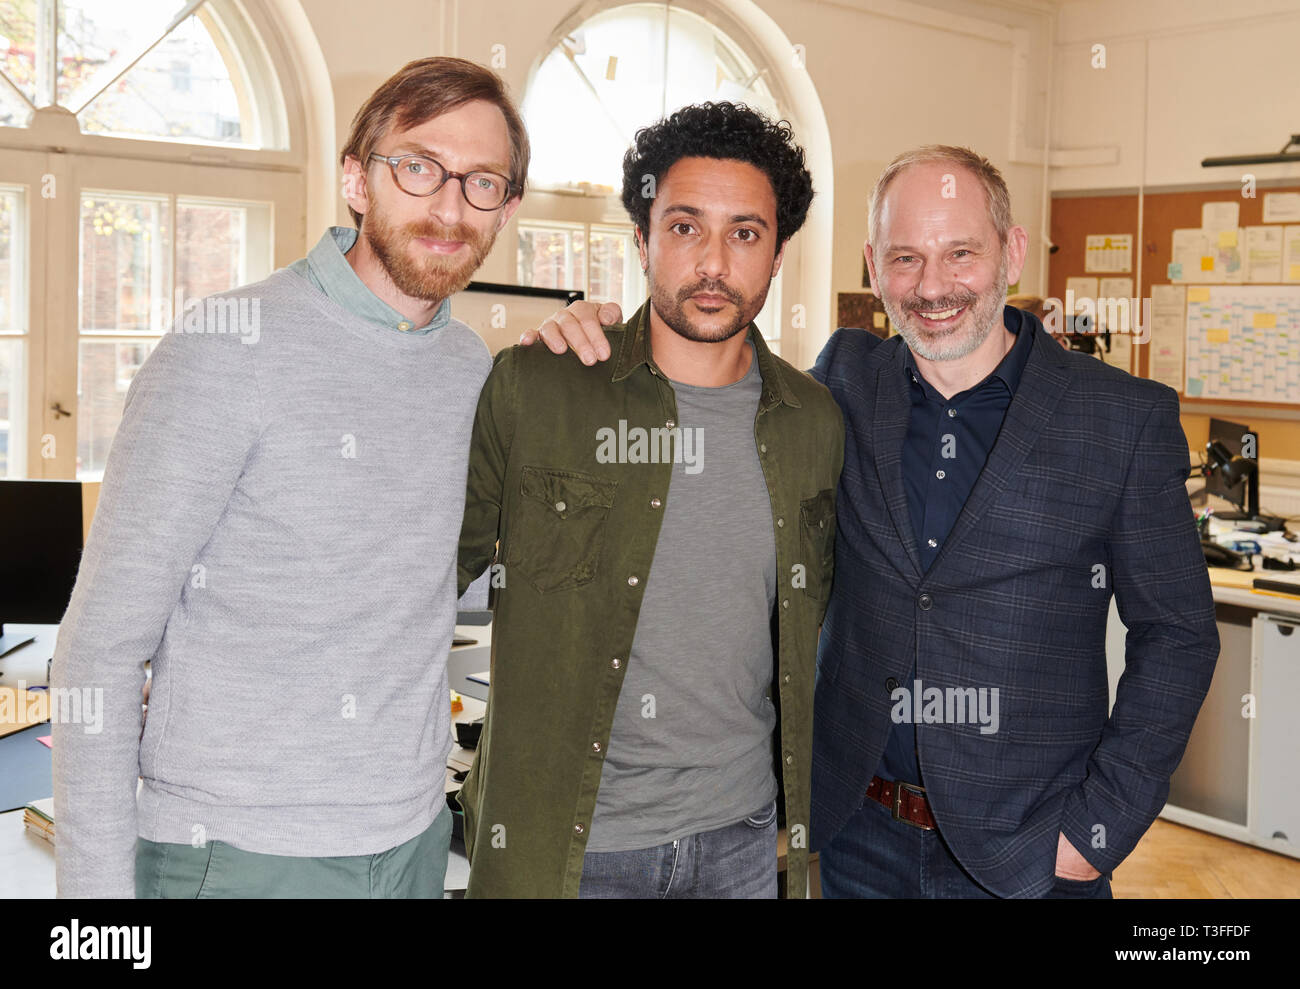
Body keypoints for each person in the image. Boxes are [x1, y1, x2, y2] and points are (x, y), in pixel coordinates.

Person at [519, 144, 1218, 899]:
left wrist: (1097, 828)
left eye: (961, 253)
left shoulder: (1122, 418)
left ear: (1012, 251)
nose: (933, 286)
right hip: (858, 840)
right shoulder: (842, 385)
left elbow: (1177, 634)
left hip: (1031, 856)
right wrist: (585, 339)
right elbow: (708, 383)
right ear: (872, 265)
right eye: (905, 258)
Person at [51, 56, 526, 898]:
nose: (450, 206)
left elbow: (432, 585)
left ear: (508, 206)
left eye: (482, 180)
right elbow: (98, 649)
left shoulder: (469, 369)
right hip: (236, 856)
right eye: (418, 166)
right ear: (355, 178)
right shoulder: (226, 347)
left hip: (412, 843)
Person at [456, 102, 843, 898]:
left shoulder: (815, 423)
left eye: (745, 233)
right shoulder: (538, 387)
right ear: (640, 241)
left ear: (775, 258)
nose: (712, 261)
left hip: (740, 843)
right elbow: (421, 585)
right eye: (684, 226)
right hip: (567, 848)